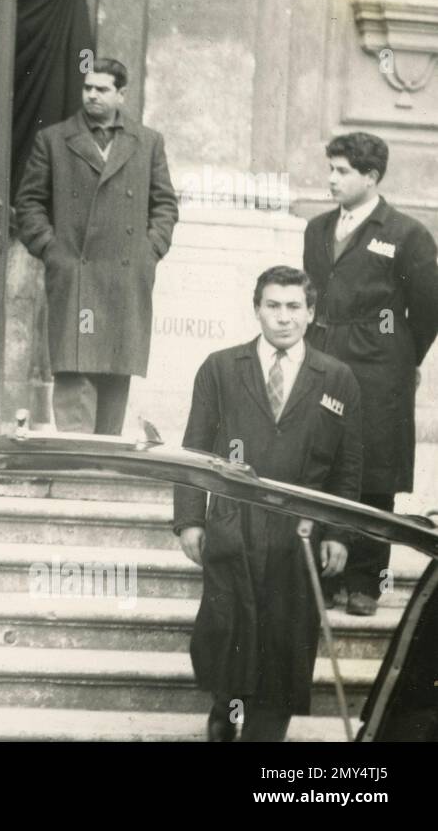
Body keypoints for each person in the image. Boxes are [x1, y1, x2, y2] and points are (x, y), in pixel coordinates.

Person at [175, 266, 361, 742]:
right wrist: (190, 519)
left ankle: (265, 734)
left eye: (294, 306)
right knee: (229, 626)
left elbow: (348, 466)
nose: (283, 318)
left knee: (286, 635)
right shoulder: (220, 367)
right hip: (234, 524)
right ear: (257, 309)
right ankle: (226, 708)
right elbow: (194, 450)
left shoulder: (337, 378)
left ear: (311, 313)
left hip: (299, 532)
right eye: (273, 306)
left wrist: (339, 533)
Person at [303, 132, 438, 617]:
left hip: (380, 374)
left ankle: (365, 583)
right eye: (331, 169)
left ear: (371, 177)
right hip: (322, 362)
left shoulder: (406, 234)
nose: (331, 179)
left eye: (342, 172)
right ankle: (323, 575)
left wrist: (400, 357)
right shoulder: (316, 229)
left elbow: (428, 311)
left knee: (375, 473)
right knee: (322, 461)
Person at [16, 57, 179, 435]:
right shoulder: (53, 140)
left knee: (114, 374)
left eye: (102, 89)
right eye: (87, 87)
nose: (92, 95)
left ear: (121, 94)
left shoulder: (148, 142)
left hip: (124, 276)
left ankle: (104, 463)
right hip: (76, 272)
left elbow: (165, 204)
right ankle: (76, 465)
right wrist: (52, 250)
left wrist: (148, 251)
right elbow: (29, 203)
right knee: (74, 371)